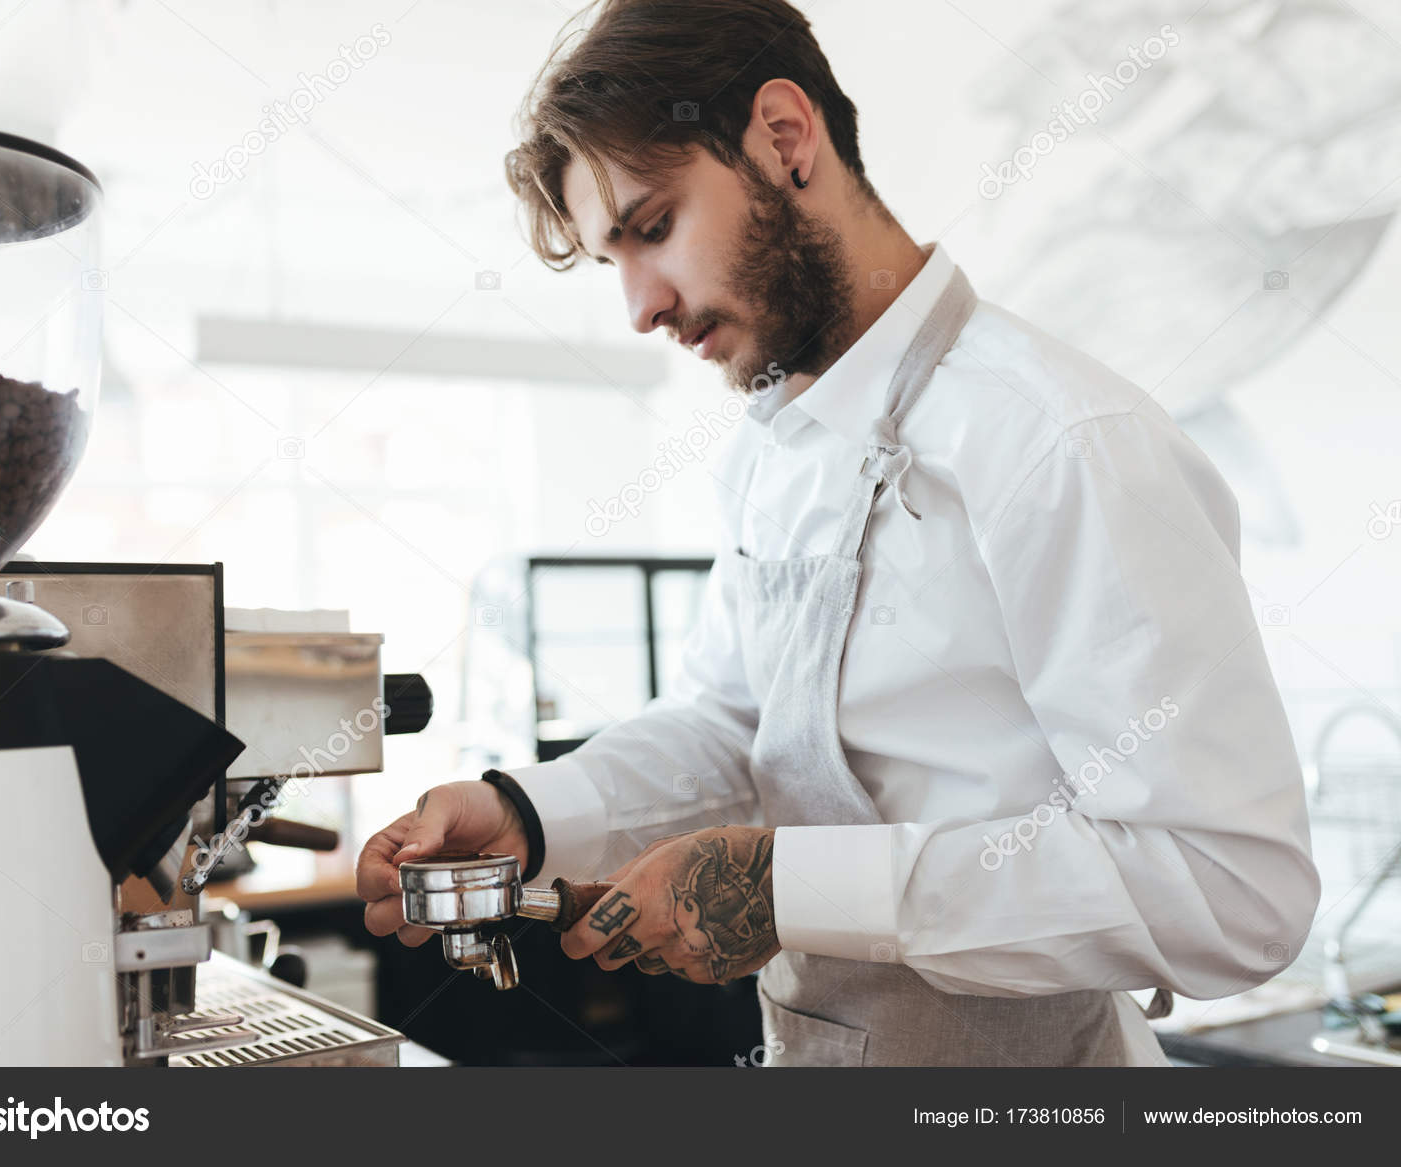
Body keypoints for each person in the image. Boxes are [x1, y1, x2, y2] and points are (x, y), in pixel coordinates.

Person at [358, 0, 1319, 1066]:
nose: (639, 306)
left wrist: (790, 887)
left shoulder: (1063, 442)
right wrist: (527, 813)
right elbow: (735, 730)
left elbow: (1231, 890)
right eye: (610, 260)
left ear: (782, 138)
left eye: (654, 225)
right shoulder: (773, 453)